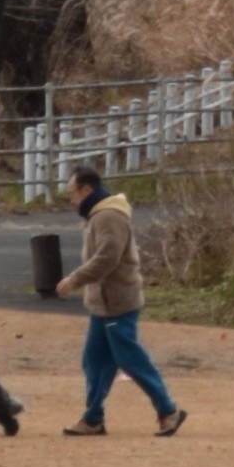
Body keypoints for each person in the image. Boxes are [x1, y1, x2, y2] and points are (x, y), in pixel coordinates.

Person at [61, 159, 186, 436]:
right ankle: (93, 418)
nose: (70, 200)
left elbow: (108, 257)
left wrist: (74, 279)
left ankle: (168, 410)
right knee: (95, 362)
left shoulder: (108, 217)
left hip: (117, 303)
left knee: (130, 358)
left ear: (86, 189)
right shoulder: (98, 216)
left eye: (72, 192)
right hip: (103, 305)